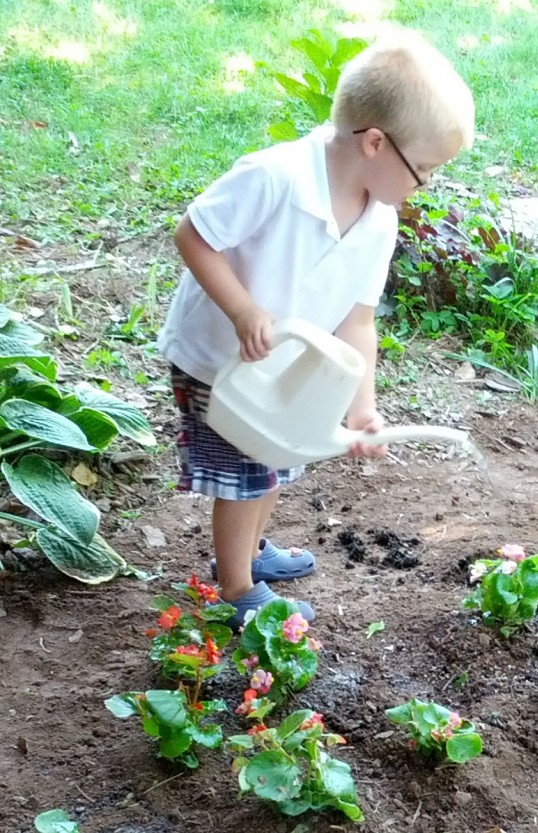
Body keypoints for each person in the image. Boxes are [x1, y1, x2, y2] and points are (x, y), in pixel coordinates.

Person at [157, 30, 475, 628]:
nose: (426, 184)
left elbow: (357, 319)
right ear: (376, 143)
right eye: (425, 168)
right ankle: (235, 590)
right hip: (221, 361)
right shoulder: (275, 178)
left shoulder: (378, 220)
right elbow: (193, 234)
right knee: (247, 471)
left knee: (277, 455)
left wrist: (363, 407)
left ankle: (248, 550)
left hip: (281, 367)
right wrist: (243, 309)